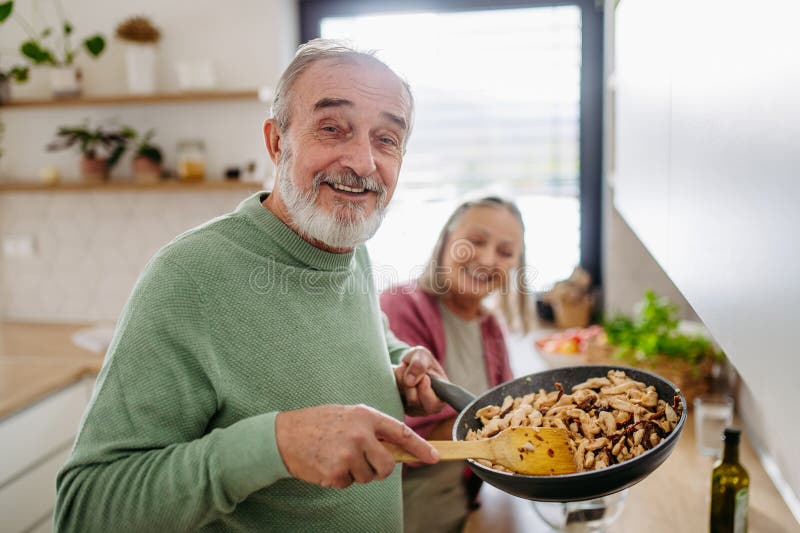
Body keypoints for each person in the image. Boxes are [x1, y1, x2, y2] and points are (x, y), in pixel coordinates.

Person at [54, 39, 449, 533]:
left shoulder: (350, 247)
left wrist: (397, 367)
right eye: (332, 128)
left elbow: (351, 341)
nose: (364, 162)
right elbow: (87, 510)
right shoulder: (188, 277)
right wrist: (277, 444)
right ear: (276, 141)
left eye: (387, 139)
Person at [380, 196, 532, 533]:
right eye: (476, 241)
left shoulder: (489, 327)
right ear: (446, 240)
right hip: (405, 497)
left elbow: (506, 412)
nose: (488, 259)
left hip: (466, 492)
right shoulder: (402, 306)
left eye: (505, 252)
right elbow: (399, 436)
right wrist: (498, 422)